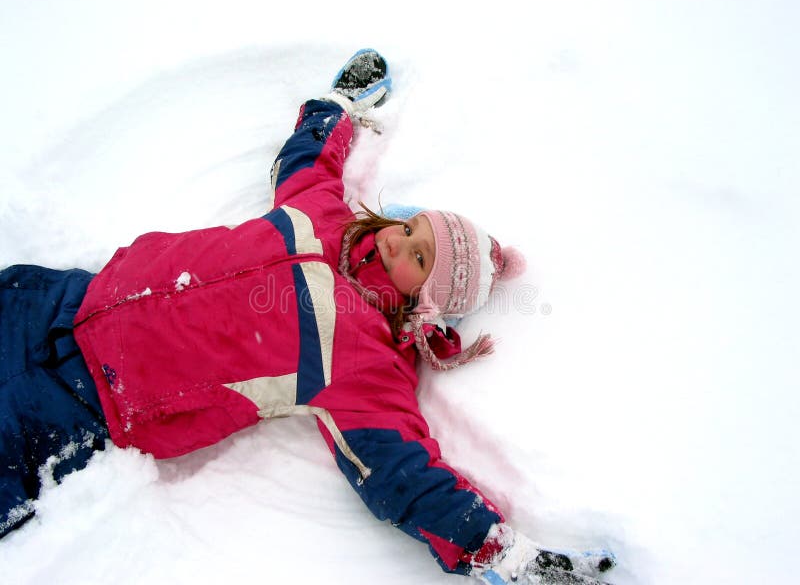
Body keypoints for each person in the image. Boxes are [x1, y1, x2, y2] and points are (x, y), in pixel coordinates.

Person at [0, 50, 614, 584]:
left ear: (426, 295)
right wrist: (339, 105)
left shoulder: (367, 358)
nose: (398, 243)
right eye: (410, 227)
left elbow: (399, 470)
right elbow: (307, 159)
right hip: (65, 300)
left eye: (419, 256)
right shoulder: (322, 213)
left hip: (89, 402)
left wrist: (500, 550)